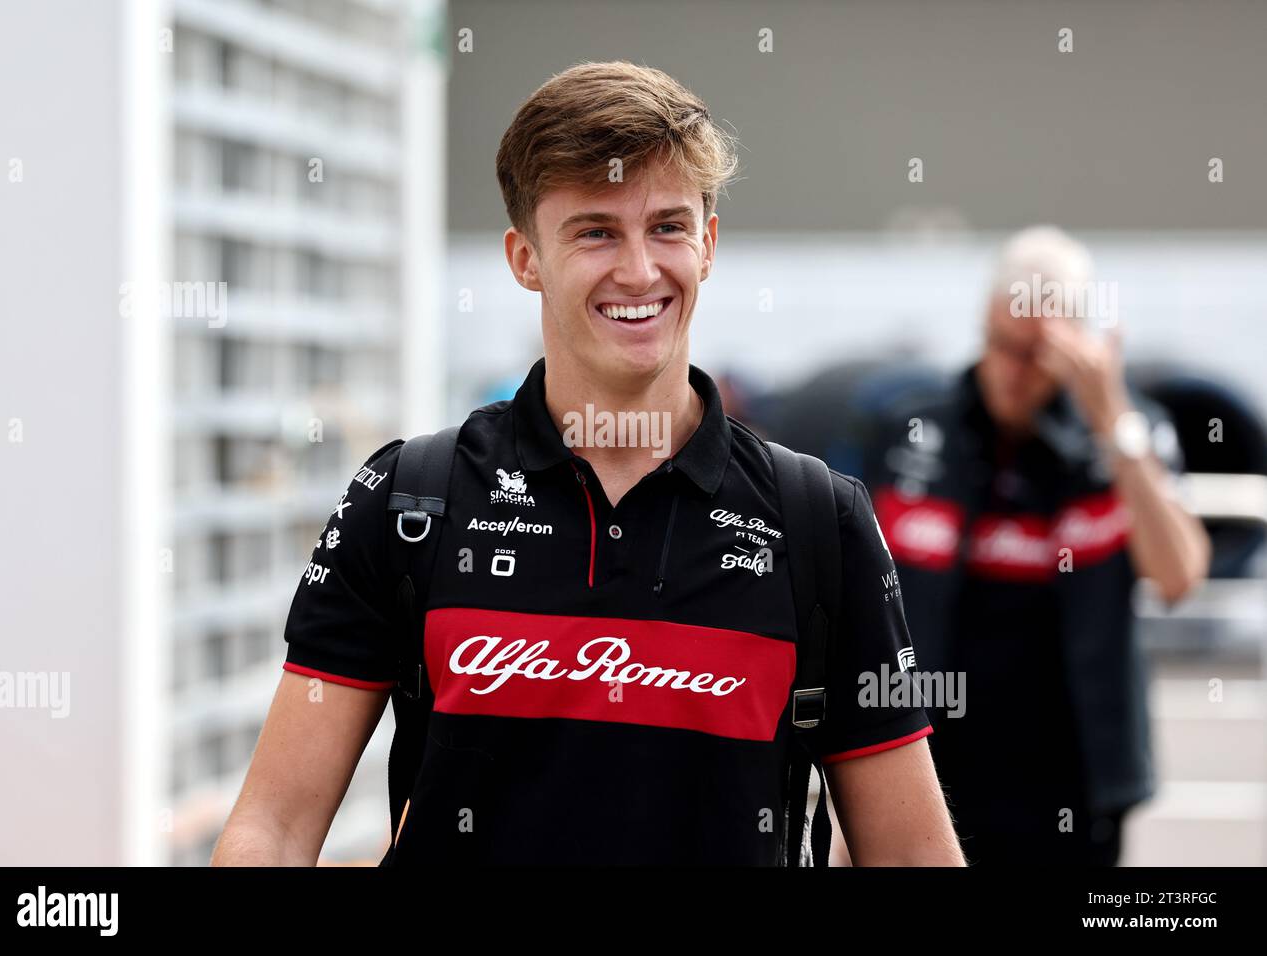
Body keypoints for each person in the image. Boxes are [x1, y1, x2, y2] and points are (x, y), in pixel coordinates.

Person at [212, 60, 963, 866]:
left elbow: (913, 858)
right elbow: (274, 830)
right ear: (525, 258)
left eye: (669, 226)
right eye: (596, 231)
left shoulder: (818, 520)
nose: (639, 270)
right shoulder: (411, 498)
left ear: (708, 244)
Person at [864, 225, 1211, 865]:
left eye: (1036, 354)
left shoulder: (1125, 436)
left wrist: (1113, 425)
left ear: (1075, 348)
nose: (1013, 373)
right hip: (937, 765)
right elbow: (856, 596)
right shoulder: (913, 429)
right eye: (1002, 345)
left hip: (1074, 778)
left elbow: (1179, 574)